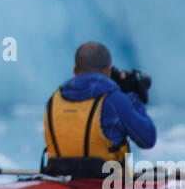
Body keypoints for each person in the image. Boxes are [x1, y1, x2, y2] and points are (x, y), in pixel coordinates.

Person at [41, 41, 157, 179]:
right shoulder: (114, 100)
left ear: (75, 71)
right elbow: (148, 139)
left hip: (60, 180)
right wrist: (133, 98)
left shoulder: (54, 100)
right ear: (108, 71)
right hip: (105, 183)